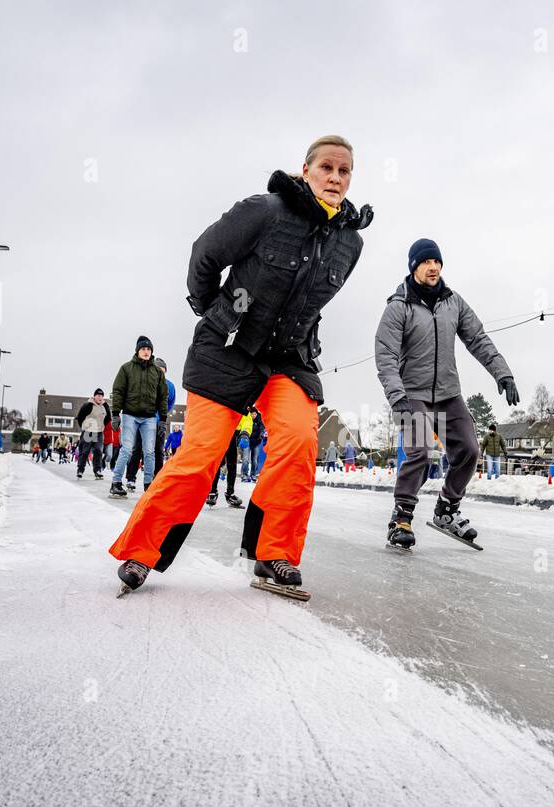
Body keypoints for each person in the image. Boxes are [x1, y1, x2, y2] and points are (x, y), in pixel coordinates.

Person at [109, 135, 372, 596]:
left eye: (344, 170)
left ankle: (274, 555)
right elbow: (204, 255)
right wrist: (216, 310)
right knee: (200, 456)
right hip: (227, 350)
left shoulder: (349, 243)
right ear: (306, 170)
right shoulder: (266, 210)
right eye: (326, 167)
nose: (334, 177)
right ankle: (141, 551)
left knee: (298, 443)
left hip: (289, 359)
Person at [375, 237, 519, 550]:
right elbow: (385, 355)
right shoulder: (399, 306)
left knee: (469, 449)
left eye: (437, 262)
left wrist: (502, 372)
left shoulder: (453, 302)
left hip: (448, 392)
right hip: (411, 393)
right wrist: (396, 396)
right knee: (422, 451)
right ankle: (401, 516)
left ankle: (447, 509)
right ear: (414, 267)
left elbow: (478, 338)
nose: (434, 267)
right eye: (427, 262)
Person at [108, 336, 166, 498]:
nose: (146, 351)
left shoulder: (156, 372)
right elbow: (118, 391)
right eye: (143, 349)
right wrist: (115, 414)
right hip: (130, 415)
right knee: (126, 450)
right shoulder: (126, 368)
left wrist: (162, 419)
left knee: (149, 452)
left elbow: (163, 396)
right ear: (137, 351)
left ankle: (149, 484)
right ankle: (116, 483)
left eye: (148, 349)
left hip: (149, 418)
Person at [125, 356, 177, 490]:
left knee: (158, 451)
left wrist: (161, 415)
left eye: (162, 370)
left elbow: (170, 403)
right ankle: (131, 478)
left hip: (159, 422)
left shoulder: (170, 386)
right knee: (137, 449)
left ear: (165, 371)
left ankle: (157, 478)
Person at [74, 388, 110, 480]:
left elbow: (108, 418)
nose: (100, 397)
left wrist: (101, 426)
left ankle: (97, 470)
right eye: (98, 395)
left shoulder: (104, 406)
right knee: (85, 451)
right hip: (89, 431)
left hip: (98, 432)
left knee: (98, 451)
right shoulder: (88, 405)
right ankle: (80, 470)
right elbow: (80, 417)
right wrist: (84, 427)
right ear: (94, 396)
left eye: (101, 396)